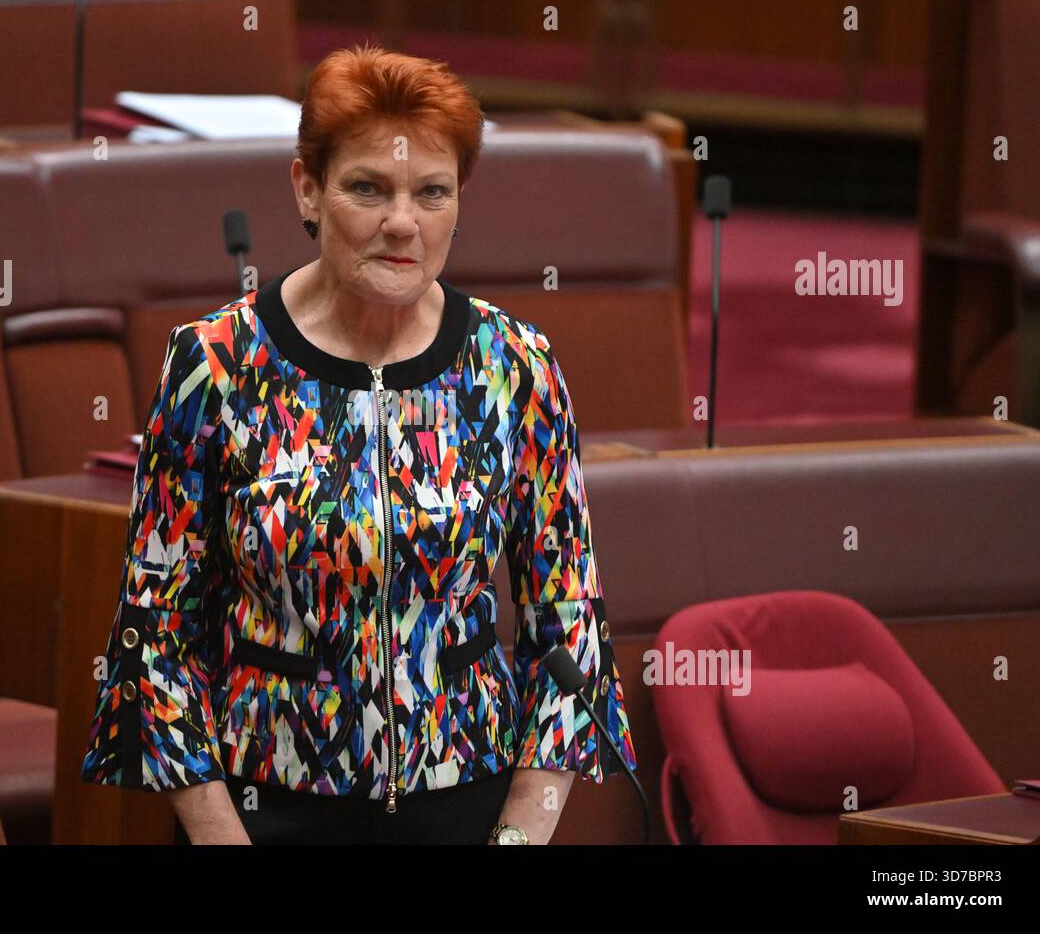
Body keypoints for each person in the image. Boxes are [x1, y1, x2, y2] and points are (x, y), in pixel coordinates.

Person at [79, 42, 637, 844]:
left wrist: (518, 839)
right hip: (266, 810)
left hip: (467, 809)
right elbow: (155, 633)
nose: (402, 222)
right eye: (368, 188)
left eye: (432, 192)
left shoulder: (515, 367)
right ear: (308, 189)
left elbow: (571, 629)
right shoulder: (217, 364)